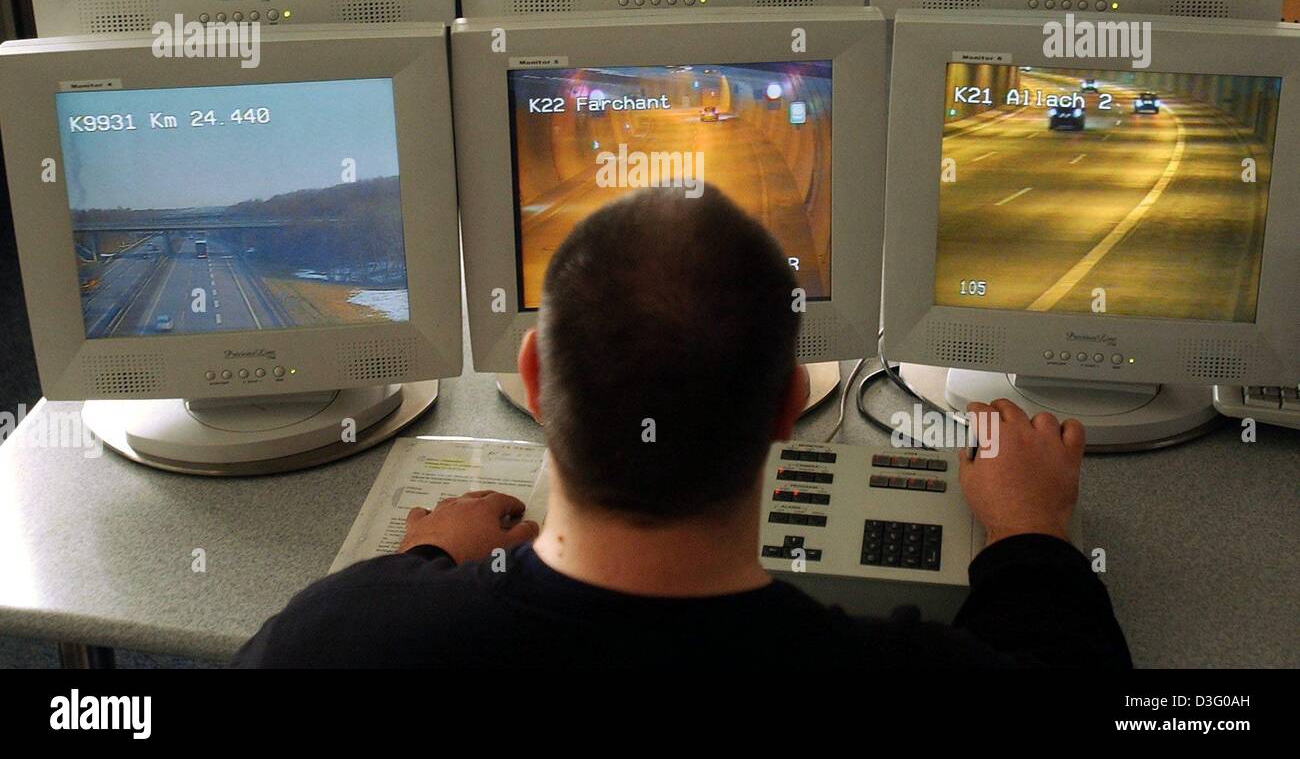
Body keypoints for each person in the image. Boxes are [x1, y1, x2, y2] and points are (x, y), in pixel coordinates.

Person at [235, 186, 1130, 669]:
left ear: (538, 383)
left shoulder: (342, 634)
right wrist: (1031, 535)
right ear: (788, 405)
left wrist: (421, 564)